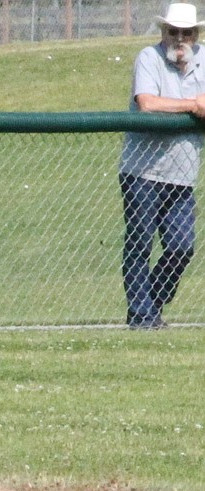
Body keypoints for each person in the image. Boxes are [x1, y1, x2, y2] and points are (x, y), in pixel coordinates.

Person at [119, 2, 205, 330]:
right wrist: (194, 105)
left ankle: (149, 304)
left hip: (183, 174)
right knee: (140, 241)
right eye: (173, 31)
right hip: (142, 171)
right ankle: (143, 319)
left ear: (195, 34)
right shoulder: (149, 58)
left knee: (182, 246)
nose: (179, 38)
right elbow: (148, 103)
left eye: (187, 32)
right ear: (163, 32)